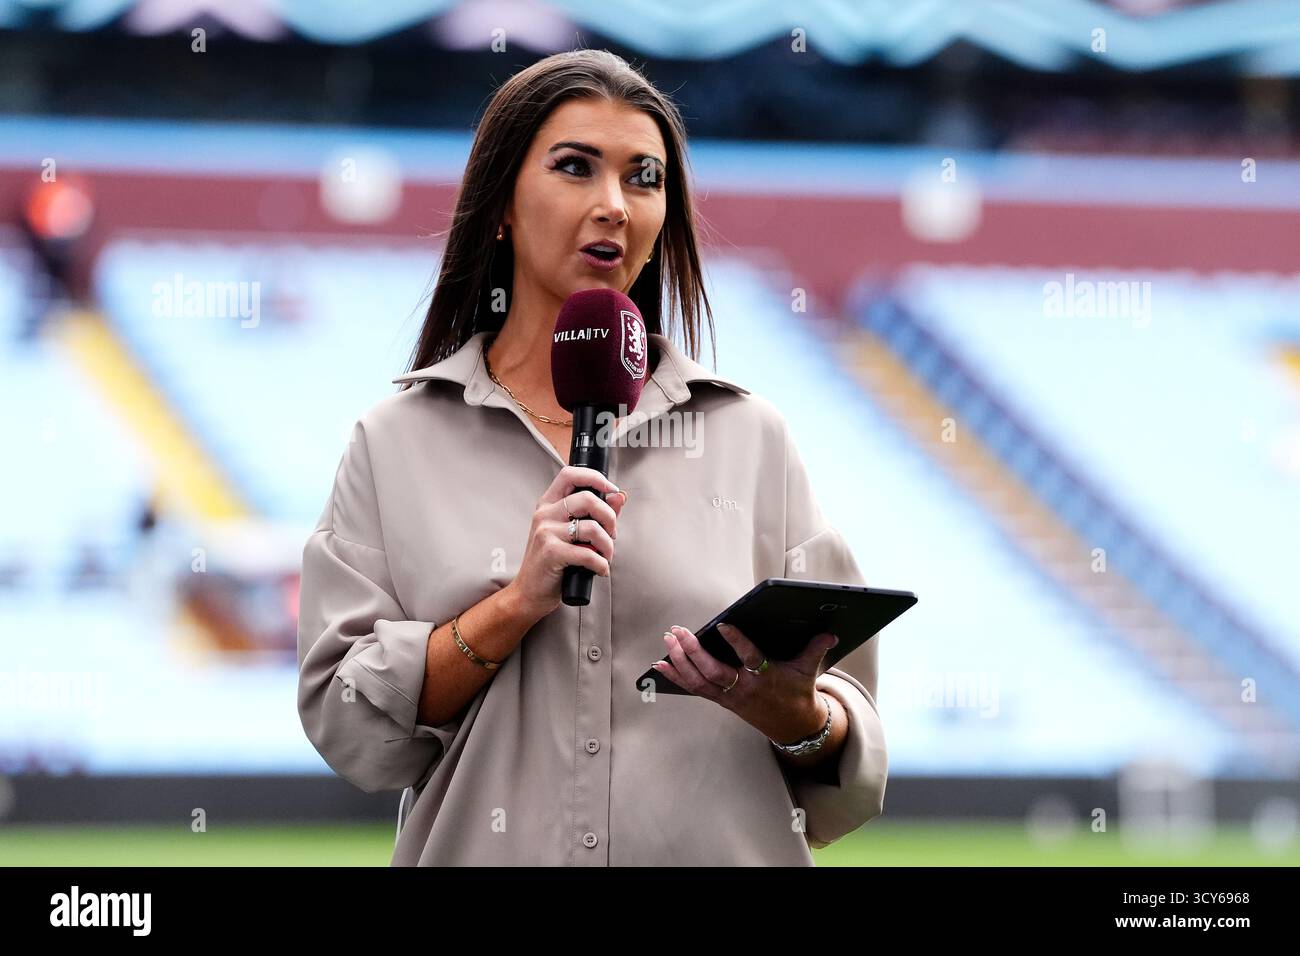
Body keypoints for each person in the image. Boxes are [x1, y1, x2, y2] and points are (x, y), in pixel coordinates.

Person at [296, 49, 887, 866]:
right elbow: (349, 723)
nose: (613, 204)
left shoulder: (751, 438)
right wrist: (512, 606)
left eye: (643, 178)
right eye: (576, 168)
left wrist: (801, 718)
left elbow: (850, 764)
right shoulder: (394, 442)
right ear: (501, 202)